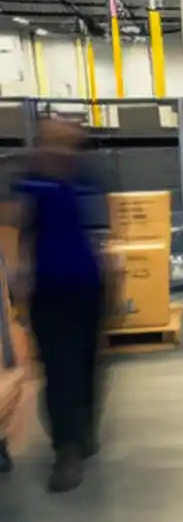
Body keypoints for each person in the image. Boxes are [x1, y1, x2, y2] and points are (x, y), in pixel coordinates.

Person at [13, 118, 111, 493]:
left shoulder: (88, 177)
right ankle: (66, 450)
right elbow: (20, 224)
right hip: (48, 288)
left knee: (87, 363)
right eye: (53, 141)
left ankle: (84, 430)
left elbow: (103, 228)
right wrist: (21, 272)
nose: (59, 148)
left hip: (89, 286)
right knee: (58, 367)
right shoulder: (31, 178)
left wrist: (111, 274)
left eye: (67, 142)